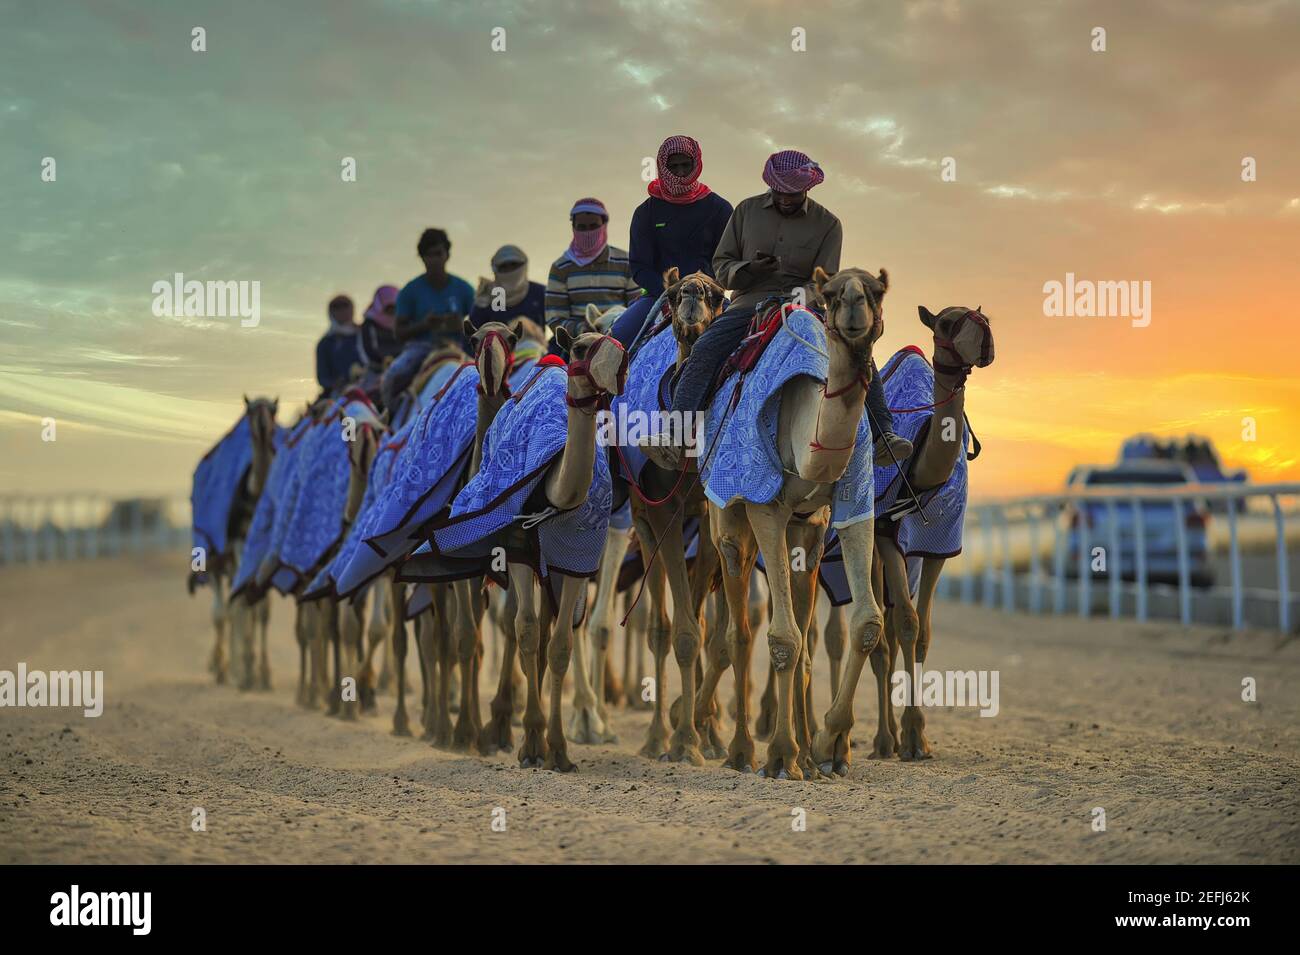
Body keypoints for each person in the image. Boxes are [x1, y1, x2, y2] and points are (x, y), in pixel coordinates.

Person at [641, 149, 910, 470]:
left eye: (793, 193)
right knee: (704, 349)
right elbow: (722, 267)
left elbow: (823, 280)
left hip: (805, 307)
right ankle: (675, 434)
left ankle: (884, 436)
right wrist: (750, 269)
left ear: (807, 189)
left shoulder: (828, 224)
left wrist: (796, 299)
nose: (785, 199)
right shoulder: (745, 212)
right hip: (747, 304)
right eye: (780, 191)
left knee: (857, 347)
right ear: (771, 185)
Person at [609, 136, 733, 348]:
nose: (681, 172)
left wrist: (702, 288)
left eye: (686, 165)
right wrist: (671, 292)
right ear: (661, 167)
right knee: (614, 342)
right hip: (657, 296)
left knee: (744, 340)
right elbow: (639, 266)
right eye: (673, 166)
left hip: (709, 296)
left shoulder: (719, 209)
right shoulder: (646, 212)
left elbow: (726, 260)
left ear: (697, 164)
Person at [381, 228, 476, 409]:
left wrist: (461, 327)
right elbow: (399, 332)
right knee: (391, 377)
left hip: (459, 346)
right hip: (422, 349)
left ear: (447, 255)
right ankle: (389, 420)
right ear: (422, 258)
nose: (434, 260)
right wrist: (424, 325)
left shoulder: (464, 289)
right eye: (429, 255)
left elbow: (481, 325)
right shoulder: (410, 291)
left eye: (438, 254)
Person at [544, 198, 640, 358]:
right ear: (573, 227)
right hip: (577, 344)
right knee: (548, 372)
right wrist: (583, 329)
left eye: (593, 226)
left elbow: (636, 306)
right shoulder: (560, 268)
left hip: (621, 338)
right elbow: (555, 317)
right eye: (582, 227)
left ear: (604, 225)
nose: (588, 232)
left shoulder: (625, 262)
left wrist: (614, 327)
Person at [467, 244, 546, 328]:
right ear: (495, 270)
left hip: (536, 340)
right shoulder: (487, 296)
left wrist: (546, 341)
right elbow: (472, 334)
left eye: (514, 265)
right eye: (504, 266)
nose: (510, 270)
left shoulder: (540, 293)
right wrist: (480, 307)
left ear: (524, 265)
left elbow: (558, 328)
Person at [356, 284, 400, 406]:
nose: (391, 311)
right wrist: (384, 361)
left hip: (402, 365)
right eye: (388, 307)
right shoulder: (369, 323)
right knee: (370, 399)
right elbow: (367, 350)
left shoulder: (403, 322)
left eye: (394, 307)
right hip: (377, 370)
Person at [315, 294, 362, 396]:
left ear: (352, 309)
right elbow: (322, 377)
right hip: (338, 394)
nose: (342, 310)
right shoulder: (325, 343)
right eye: (336, 307)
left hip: (368, 386)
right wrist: (335, 384)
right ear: (330, 312)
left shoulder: (363, 335)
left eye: (345, 306)